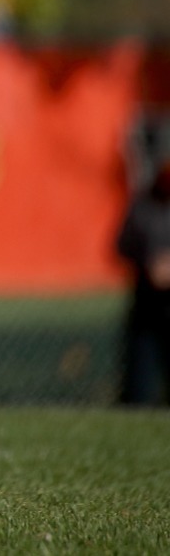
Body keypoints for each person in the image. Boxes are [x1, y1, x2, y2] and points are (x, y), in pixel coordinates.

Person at [117, 146, 170, 405]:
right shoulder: (143, 206)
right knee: (138, 385)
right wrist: (149, 264)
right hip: (146, 307)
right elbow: (121, 245)